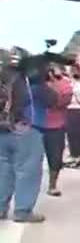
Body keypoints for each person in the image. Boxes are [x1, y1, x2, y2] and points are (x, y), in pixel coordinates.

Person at [0, 63, 45, 223]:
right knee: (27, 169)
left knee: (3, 169)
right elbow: (47, 97)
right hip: (22, 126)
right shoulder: (24, 75)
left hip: (2, 128)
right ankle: (22, 210)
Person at [41, 64, 73, 196]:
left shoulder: (63, 83)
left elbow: (64, 101)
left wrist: (52, 86)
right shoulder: (33, 83)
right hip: (34, 126)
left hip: (56, 126)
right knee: (29, 161)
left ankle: (52, 185)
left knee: (55, 158)